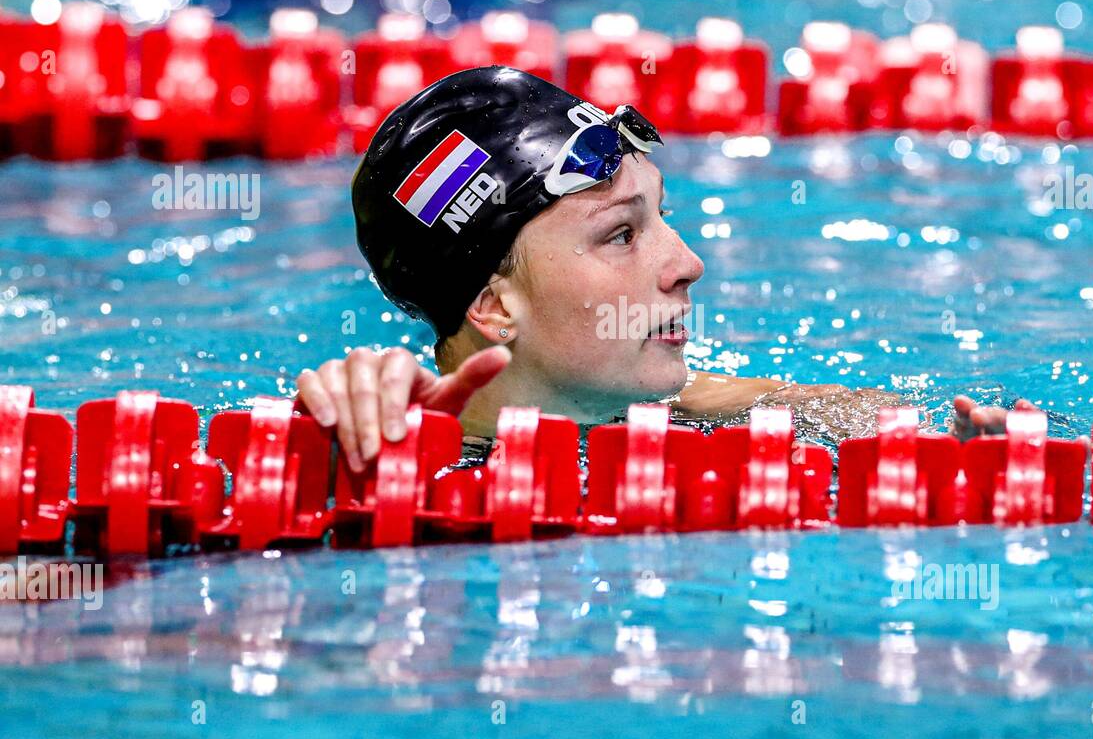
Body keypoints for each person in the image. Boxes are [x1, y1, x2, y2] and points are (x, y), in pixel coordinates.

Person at [294, 67, 1033, 473]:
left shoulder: (714, 409)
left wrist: (963, 466)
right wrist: (337, 452)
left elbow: (956, 431)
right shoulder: (387, 455)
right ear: (492, 305)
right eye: (620, 234)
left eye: (660, 214)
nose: (688, 264)